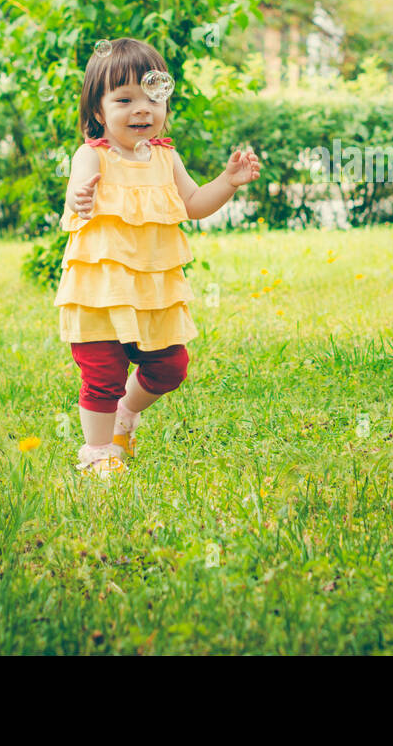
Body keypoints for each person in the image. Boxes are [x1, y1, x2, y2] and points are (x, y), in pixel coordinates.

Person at [56, 38, 261, 477]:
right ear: (97, 111)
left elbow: (193, 203)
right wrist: (79, 196)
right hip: (100, 290)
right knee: (102, 374)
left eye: (152, 96)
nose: (141, 109)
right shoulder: (92, 157)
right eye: (124, 99)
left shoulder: (166, 158)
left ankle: (125, 415)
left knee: (171, 365)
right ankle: (99, 453)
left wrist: (227, 182)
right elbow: (77, 190)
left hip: (152, 289)